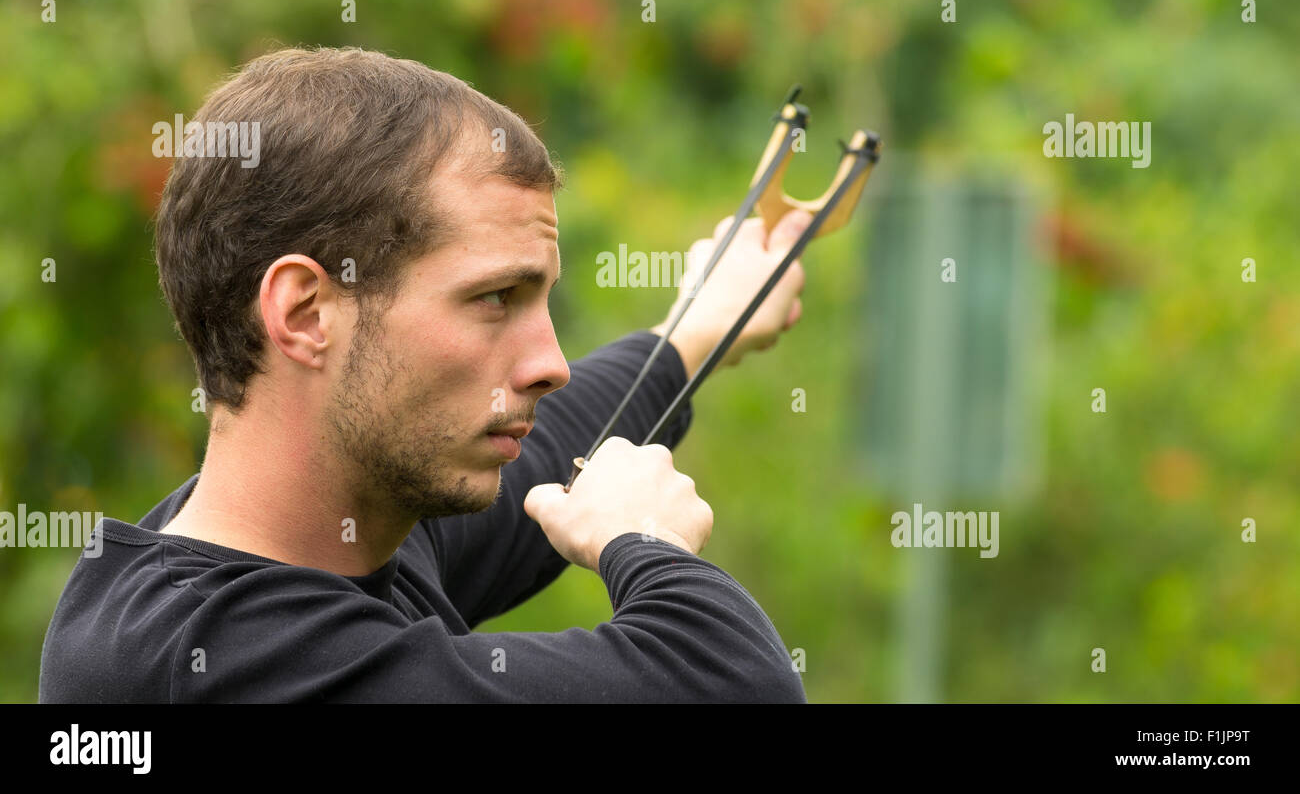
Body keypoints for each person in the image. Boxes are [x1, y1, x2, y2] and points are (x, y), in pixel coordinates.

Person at [39, 46, 812, 703]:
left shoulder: (340, 529)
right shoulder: (221, 666)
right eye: (494, 298)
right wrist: (645, 543)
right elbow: (730, 681)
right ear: (307, 312)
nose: (551, 364)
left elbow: (561, 451)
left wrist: (700, 323)